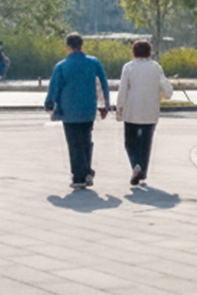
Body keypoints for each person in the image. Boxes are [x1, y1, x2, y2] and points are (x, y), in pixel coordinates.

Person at [44, 33, 111, 188]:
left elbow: (54, 87)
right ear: (82, 45)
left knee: (74, 143)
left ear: (68, 46)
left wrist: (49, 104)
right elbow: (103, 83)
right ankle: (86, 170)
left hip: (69, 110)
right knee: (86, 140)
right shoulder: (94, 63)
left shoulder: (61, 66)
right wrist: (105, 104)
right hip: (88, 108)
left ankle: (79, 176)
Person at [115, 40, 173, 187]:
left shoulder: (128, 68)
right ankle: (143, 171)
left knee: (130, 143)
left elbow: (123, 90)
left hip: (131, 111)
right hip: (150, 111)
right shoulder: (155, 68)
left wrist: (119, 109)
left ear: (134, 52)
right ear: (149, 52)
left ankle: (136, 166)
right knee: (146, 143)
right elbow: (168, 91)